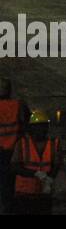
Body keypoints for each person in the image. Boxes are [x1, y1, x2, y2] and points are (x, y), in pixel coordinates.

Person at [11, 108, 60, 215]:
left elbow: (57, 164)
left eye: (43, 126)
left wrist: (49, 179)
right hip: (24, 194)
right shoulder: (22, 143)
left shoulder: (53, 143)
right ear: (31, 128)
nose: (41, 130)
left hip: (43, 194)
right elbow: (14, 166)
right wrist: (35, 174)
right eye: (38, 126)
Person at [0, 77, 27, 214]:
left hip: (1, 152)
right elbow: (27, 122)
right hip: (16, 149)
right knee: (14, 182)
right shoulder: (18, 104)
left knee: (4, 183)